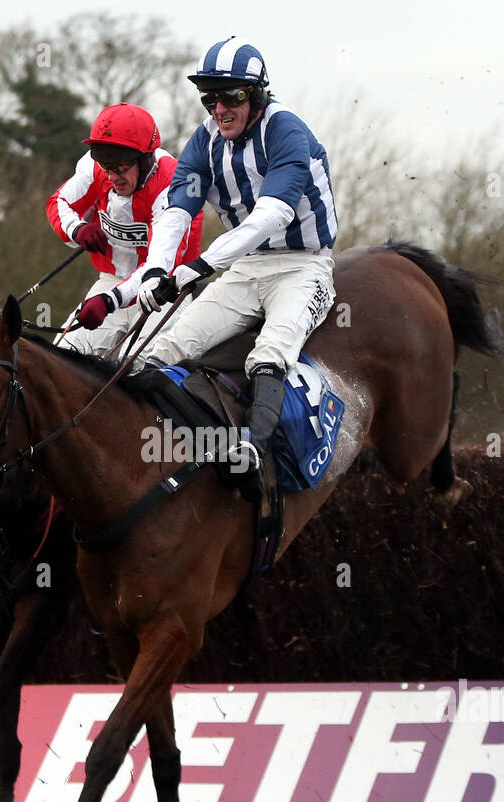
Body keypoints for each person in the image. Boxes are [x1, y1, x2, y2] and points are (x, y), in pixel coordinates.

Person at [112, 37, 339, 492]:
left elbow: (270, 215)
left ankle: (252, 448)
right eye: (210, 98)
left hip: (303, 267)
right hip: (245, 267)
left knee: (269, 354)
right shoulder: (205, 139)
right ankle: (185, 447)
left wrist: (196, 268)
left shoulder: (286, 131)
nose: (219, 109)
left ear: (257, 95)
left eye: (232, 96)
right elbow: (177, 209)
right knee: (163, 350)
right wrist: (158, 268)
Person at [46, 103, 203, 356]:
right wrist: (77, 229)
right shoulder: (95, 167)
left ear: (147, 159)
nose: (112, 177)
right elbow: (58, 202)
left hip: (165, 289)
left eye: (120, 168)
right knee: (63, 357)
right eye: (106, 167)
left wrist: (110, 301)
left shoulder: (172, 186)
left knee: (138, 368)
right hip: (110, 281)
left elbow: (158, 265)